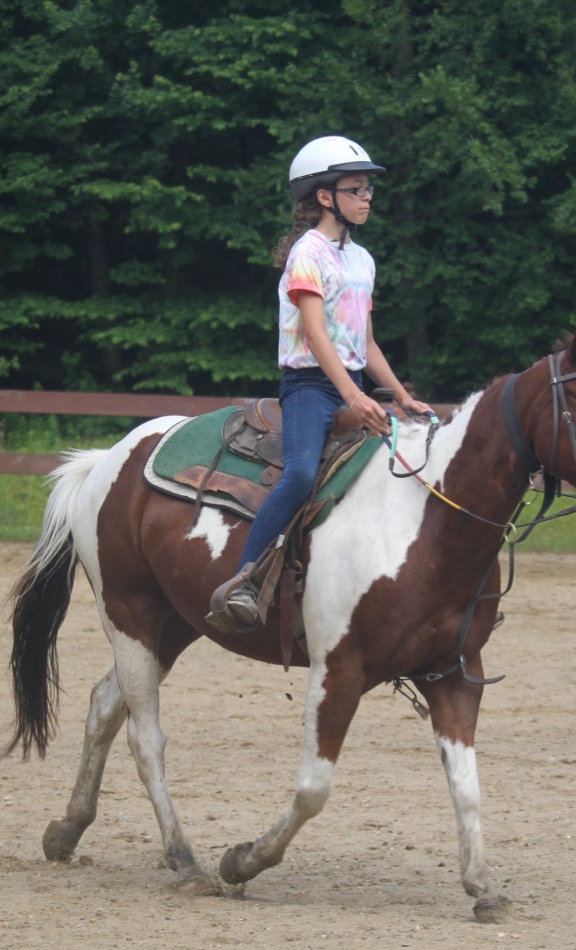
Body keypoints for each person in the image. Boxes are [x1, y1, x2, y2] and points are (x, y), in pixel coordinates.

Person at [207, 135, 432, 631]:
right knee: (301, 474)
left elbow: (366, 343)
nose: (367, 197)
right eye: (356, 189)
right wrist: (354, 395)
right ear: (325, 197)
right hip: (309, 387)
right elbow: (315, 333)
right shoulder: (307, 254)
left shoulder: (363, 260)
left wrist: (402, 396)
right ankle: (245, 579)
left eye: (369, 188)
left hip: (352, 382)